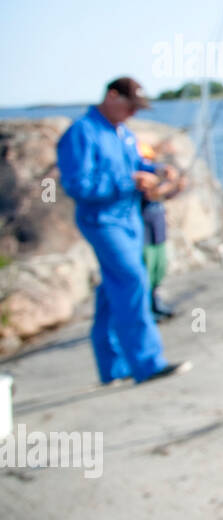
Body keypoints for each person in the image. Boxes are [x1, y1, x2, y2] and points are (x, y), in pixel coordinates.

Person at [56, 77, 191, 385]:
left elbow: (136, 161)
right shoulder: (82, 133)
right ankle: (148, 364)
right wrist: (129, 182)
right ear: (112, 96)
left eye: (137, 109)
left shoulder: (121, 133)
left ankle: (112, 367)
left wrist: (156, 171)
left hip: (129, 219)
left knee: (111, 289)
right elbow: (76, 185)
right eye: (130, 106)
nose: (133, 113)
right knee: (132, 280)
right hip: (102, 221)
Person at [136, 140, 185, 320]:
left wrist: (176, 187)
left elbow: (162, 195)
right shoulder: (138, 182)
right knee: (147, 267)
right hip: (144, 231)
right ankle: (146, 307)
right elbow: (151, 194)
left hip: (159, 229)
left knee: (159, 266)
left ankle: (155, 301)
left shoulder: (153, 173)